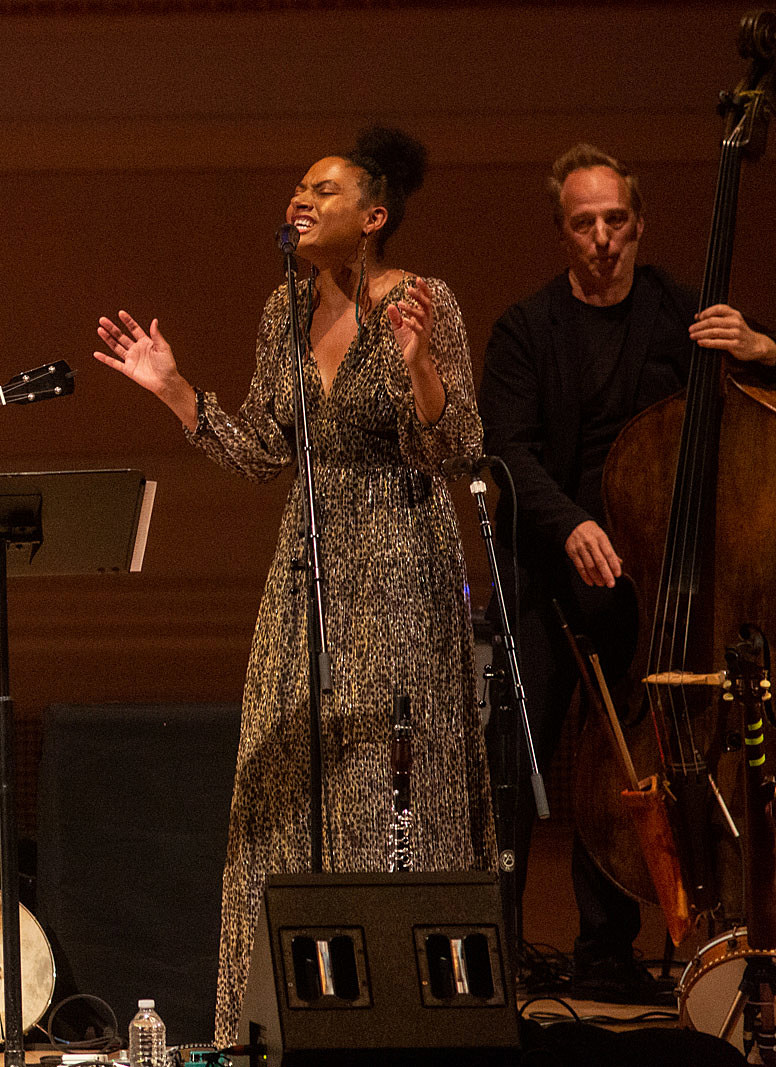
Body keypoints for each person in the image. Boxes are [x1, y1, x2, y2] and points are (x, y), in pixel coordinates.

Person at [94, 126, 495, 1044]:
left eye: (323, 189)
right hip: (307, 562)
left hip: (399, 557)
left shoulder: (423, 300)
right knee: (290, 776)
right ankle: (286, 1011)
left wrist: (424, 366)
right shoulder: (283, 311)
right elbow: (263, 452)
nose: (299, 200)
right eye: (296, 189)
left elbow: (454, 446)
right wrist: (175, 389)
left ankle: (412, 1010)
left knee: (388, 779)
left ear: (374, 215)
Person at [479, 144, 775, 1003]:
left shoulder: (686, 313)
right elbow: (509, 447)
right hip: (557, 560)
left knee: (641, 748)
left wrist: (761, 348)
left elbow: (753, 407)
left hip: (665, 574)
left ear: (638, 224)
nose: (603, 237)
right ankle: (498, 946)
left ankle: (611, 945)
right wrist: (569, 523)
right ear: (563, 233)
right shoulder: (526, 329)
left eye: (616, 220)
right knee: (524, 743)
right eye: (584, 223)